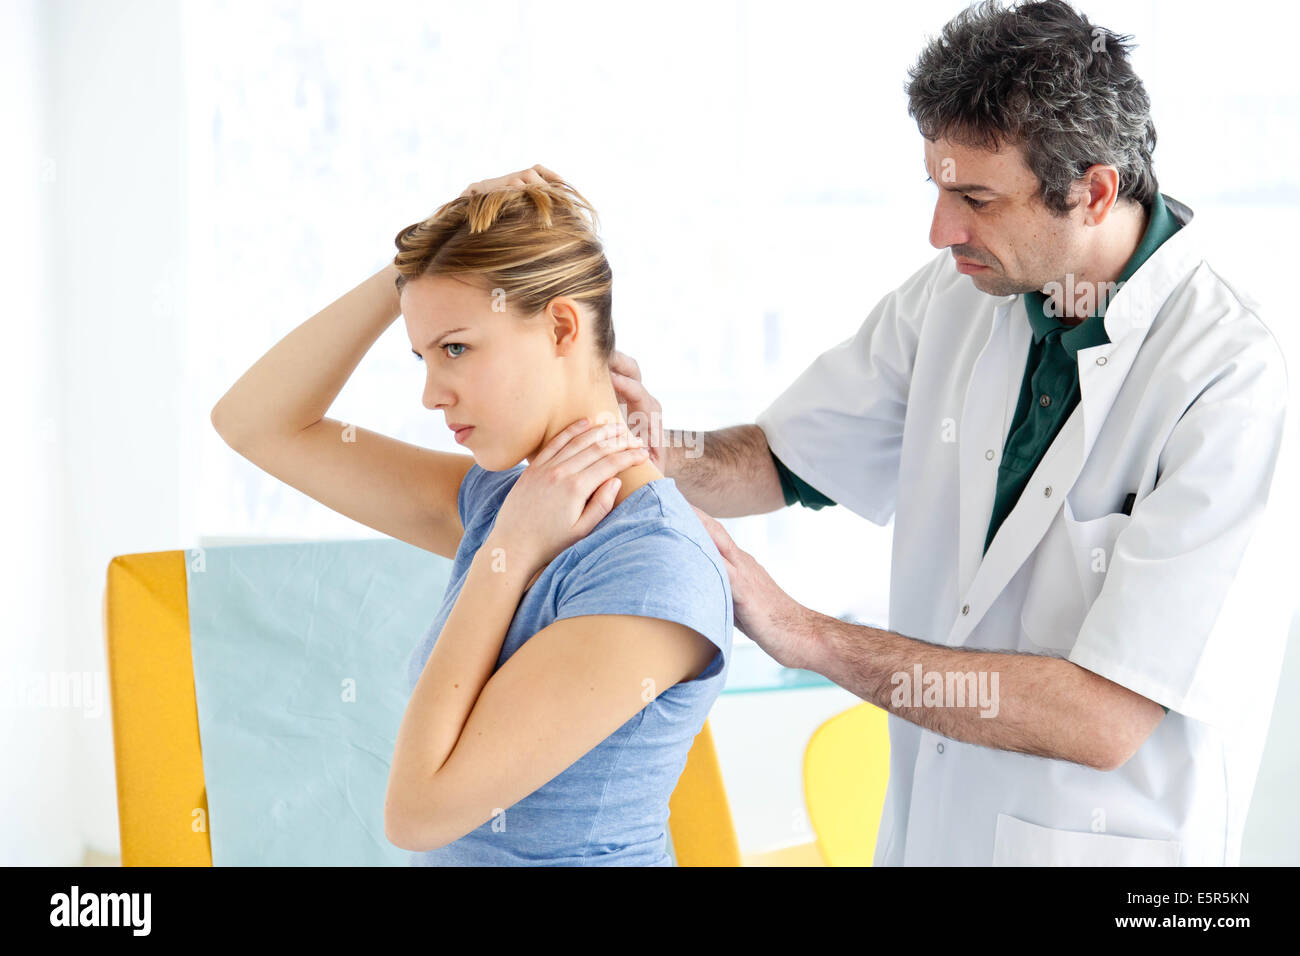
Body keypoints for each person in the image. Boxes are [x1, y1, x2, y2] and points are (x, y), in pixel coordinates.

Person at [604, 0, 1291, 866]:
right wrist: (662, 452)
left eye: (975, 198)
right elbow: (782, 461)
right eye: (937, 186)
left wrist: (805, 634)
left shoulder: (1228, 377)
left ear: (1095, 190)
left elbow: (1104, 716)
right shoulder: (960, 293)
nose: (942, 231)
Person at [210, 176, 733, 866]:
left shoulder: (651, 567)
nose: (431, 393)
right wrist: (405, 275)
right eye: (422, 356)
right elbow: (254, 424)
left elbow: (419, 814)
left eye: (456, 348)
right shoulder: (505, 503)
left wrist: (510, 553)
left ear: (561, 327)